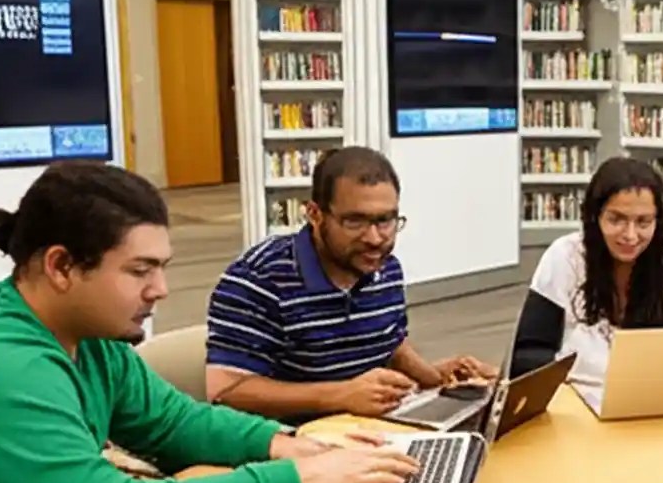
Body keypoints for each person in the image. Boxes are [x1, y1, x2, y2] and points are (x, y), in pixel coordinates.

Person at [0, 162, 419, 483]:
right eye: (140, 271)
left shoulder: (88, 337)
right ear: (61, 266)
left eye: (162, 269)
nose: (160, 290)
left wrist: (293, 446)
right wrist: (301, 481)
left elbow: (174, 422)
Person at [205, 147, 496, 425]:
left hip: (375, 428)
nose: (374, 238)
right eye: (355, 221)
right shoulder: (258, 279)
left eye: (385, 220)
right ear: (315, 215)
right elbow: (225, 391)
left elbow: (389, 343)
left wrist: (439, 379)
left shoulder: (386, 267)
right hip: (293, 443)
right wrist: (340, 395)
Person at [511, 156, 663, 400]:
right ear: (594, 217)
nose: (630, 235)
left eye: (643, 222)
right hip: (578, 412)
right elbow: (528, 357)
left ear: (659, 221)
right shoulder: (565, 257)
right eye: (616, 219)